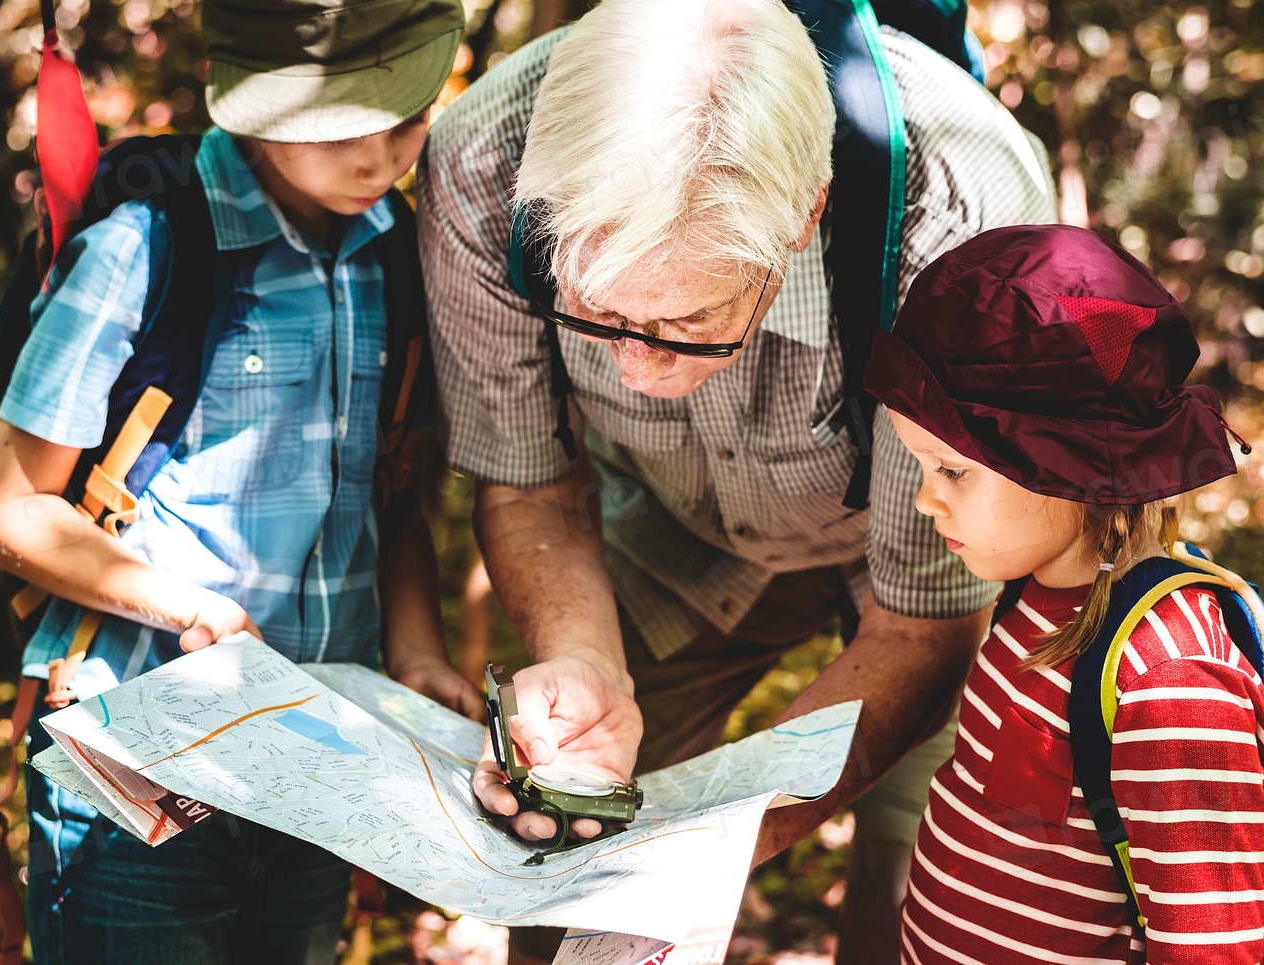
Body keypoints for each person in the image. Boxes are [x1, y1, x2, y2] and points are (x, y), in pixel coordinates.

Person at [415, 0, 1055, 959]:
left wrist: (713, 844)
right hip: (669, 523)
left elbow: (921, 625)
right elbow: (531, 479)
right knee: (560, 891)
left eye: (687, 323)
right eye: (597, 313)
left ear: (805, 217)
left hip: (926, 553)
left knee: (927, 900)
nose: (633, 370)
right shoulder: (482, 162)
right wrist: (581, 652)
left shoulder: (960, 218)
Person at [0, 0, 469, 961]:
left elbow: (390, 494)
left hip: (328, 749)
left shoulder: (391, 253)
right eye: (340, 133)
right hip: (138, 757)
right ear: (251, 106)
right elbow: (4, 506)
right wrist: (182, 603)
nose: (376, 160)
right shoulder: (144, 245)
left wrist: (417, 655)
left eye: (403, 122)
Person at [861, 224, 1264, 962]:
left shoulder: (1167, 682)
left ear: (1070, 468)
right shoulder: (1030, 599)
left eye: (951, 470)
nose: (925, 501)